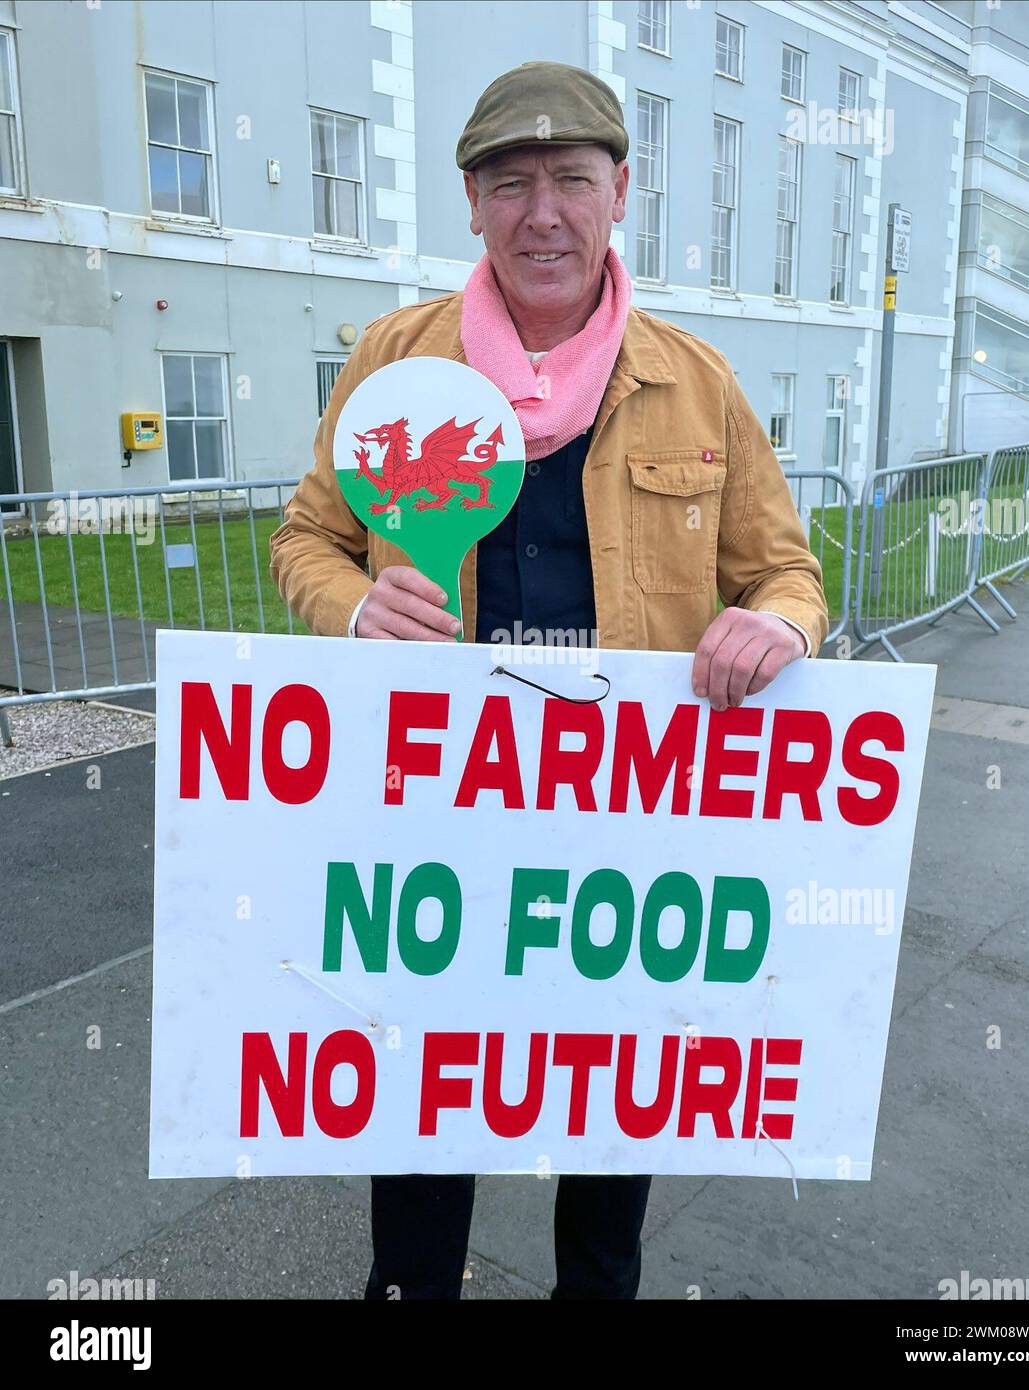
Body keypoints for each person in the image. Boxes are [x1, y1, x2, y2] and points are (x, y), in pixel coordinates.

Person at [270, 60, 828, 1300]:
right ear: (470, 203)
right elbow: (304, 536)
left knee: (612, 1121)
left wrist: (778, 631)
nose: (543, 213)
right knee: (421, 1108)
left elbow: (786, 575)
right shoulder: (391, 362)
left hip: (627, 837)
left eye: (572, 179)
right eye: (509, 183)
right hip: (430, 816)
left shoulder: (700, 383)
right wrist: (353, 601)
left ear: (619, 192)